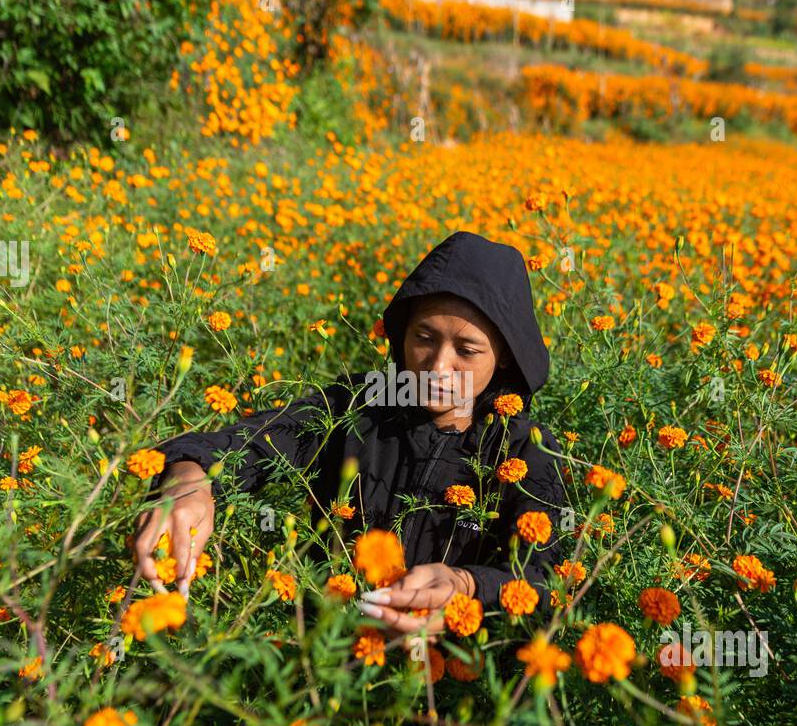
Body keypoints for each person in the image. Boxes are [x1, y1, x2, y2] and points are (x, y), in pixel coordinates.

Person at [133, 230, 569, 636]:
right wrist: (189, 477)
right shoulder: (358, 405)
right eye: (424, 338)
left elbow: (551, 574)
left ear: (506, 358)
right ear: (401, 336)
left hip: (450, 689)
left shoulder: (524, 451)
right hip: (322, 654)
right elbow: (251, 440)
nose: (438, 367)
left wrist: (466, 586)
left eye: (467, 350)